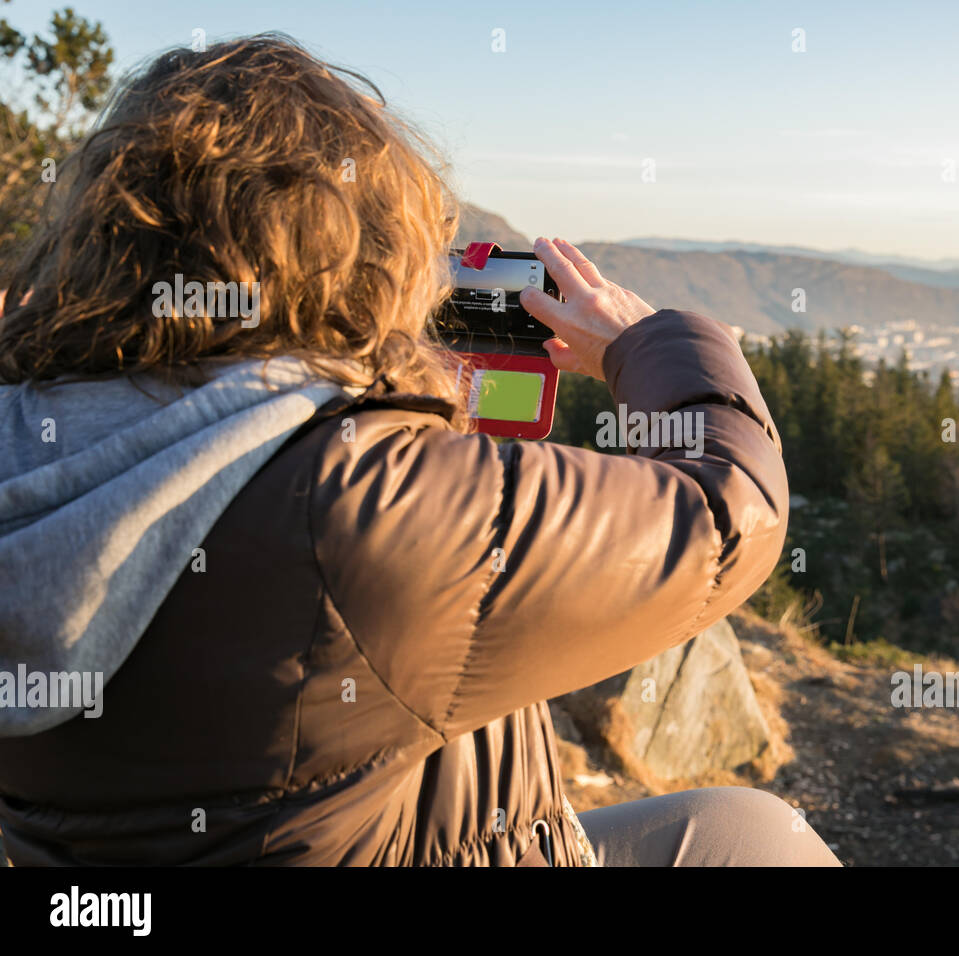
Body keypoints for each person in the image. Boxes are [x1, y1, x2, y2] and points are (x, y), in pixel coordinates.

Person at [0, 34, 840, 867]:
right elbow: (730, 514)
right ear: (355, 255)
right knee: (766, 841)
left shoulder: (27, 439)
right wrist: (646, 342)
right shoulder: (360, 505)